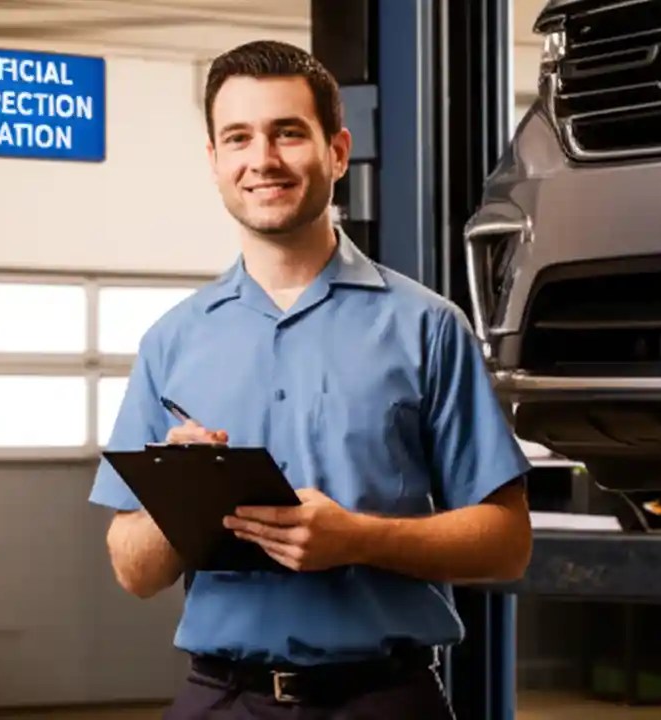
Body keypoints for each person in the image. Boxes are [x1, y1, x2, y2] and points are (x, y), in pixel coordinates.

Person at [88, 39, 533, 719]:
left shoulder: (427, 327)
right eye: (238, 137)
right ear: (214, 162)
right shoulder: (171, 342)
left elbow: (506, 543)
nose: (262, 159)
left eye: (287, 132)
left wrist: (358, 538)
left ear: (337, 151)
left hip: (385, 698)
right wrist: (178, 495)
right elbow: (133, 571)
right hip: (224, 698)